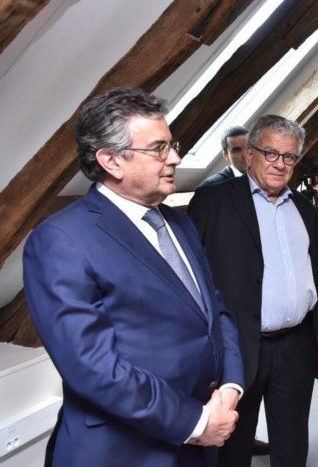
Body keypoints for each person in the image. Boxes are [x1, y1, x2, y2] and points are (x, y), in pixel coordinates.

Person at [23, 88, 243, 466]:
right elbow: (93, 367)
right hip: (124, 450)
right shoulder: (60, 240)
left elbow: (215, 310)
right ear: (111, 161)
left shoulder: (179, 221)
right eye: (158, 148)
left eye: (173, 145)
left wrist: (230, 386)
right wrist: (196, 421)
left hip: (200, 440)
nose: (174, 157)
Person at [188, 115, 318, 467]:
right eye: (271, 153)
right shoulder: (214, 202)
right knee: (233, 447)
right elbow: (193, 277)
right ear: (250, 154)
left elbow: (316, 273)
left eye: (289, 157)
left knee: (291, 444)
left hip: (296, 346)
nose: (280, 164)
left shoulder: (304, 206)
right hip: (238, 348)